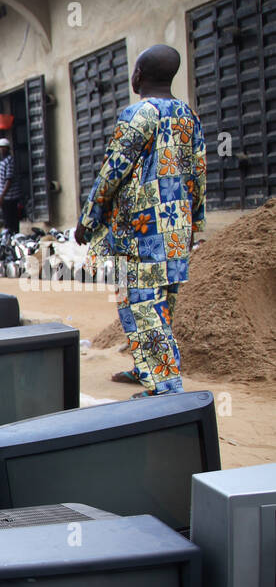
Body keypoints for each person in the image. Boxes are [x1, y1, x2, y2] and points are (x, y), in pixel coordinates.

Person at [76, 44, 205, 397]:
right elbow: (198, 174)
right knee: (162, 303)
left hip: (142, 230)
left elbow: (111, 171)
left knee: (141, 303)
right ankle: (145, 368)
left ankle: (164, 386)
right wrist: (195, 223)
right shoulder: (188, 116)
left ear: (138, 75)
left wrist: (88, 218)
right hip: (176, 228)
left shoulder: (137, 115)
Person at [0, 137, 23, 235]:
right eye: (0, 148)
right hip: (5, 198)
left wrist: (2, 196)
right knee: (7, 221)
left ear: (7, 149)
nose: (1, 150)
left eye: (3, 148)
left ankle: (12, 237)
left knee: (11, 221)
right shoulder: (4, 161)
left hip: (9, 198)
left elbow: (9, 180)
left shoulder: (9, 161)